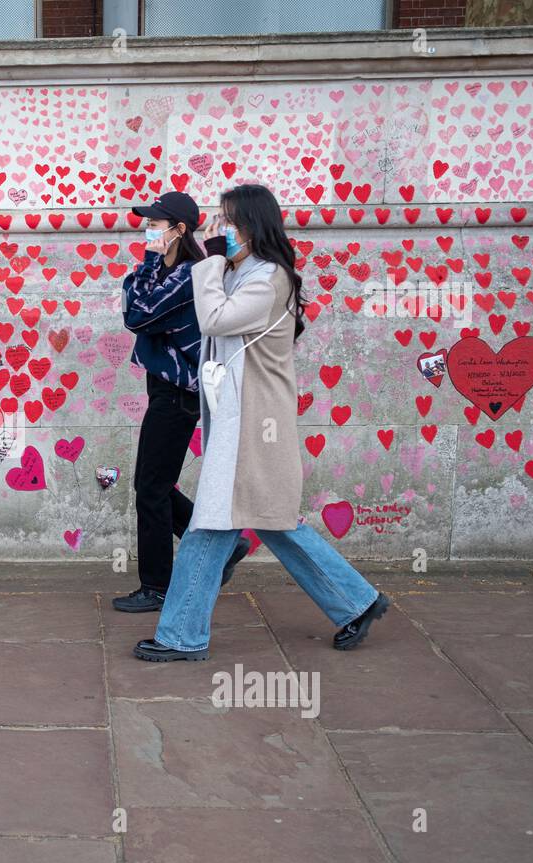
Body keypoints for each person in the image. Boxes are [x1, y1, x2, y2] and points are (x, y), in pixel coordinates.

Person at [133, 183, 390, 661]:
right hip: (239, 416)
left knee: (210, 523)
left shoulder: (268, 279)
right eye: (219, 221)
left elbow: (212, 319)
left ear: (252, 226)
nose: (220, 229)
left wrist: (207, 261)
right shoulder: (242, 272)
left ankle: (181, 635)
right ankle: (358, 601)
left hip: (254, 422)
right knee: (272, 519)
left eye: (228, 222)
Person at [112, 190, 249, 614]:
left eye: (155, 224)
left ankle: (157, 586)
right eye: (149, 223)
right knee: (153, 485)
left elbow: (139, 314)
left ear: (179, 230)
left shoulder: (190, 274)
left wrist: (150, 266)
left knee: (149, 489)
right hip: (163, 388)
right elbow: (132, 301)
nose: (148, 231)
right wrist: (150, 265)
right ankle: (225, 547)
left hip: (179, 392)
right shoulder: (164, 270)